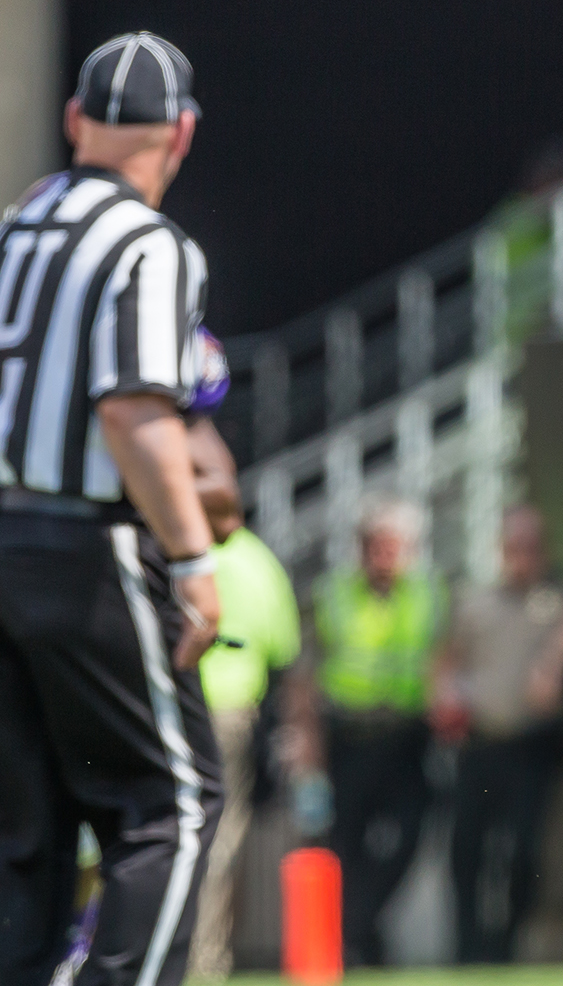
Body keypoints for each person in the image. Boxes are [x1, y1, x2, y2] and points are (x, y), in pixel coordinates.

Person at [0, 31, 223, 986]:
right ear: (181, 134)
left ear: (73, 121)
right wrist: (193, 559)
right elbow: (134, 411)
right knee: (170, 801)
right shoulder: (148, 244)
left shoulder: (13, 228)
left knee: (27, 819)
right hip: (79, 549)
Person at [432, 504, 563, 963]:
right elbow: (447, 658)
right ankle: (468, 951)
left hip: (532, 744)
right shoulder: (476, 600)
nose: (523, 557)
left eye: (532, 548)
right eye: (515, 548)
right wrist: (447, 694)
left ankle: (506, 948)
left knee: (523, 853)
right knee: (467, 850)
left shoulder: (561, 594)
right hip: (480, 743)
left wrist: (553, 662)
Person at [187, 329, 302, 982]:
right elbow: (285, 662)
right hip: (222, 712)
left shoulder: (235, 558)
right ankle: (197, 967)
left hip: (198, 706)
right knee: (208, 846)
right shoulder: (254, 561)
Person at [291, 496, 448, 967]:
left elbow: (445, 658)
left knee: (409, 838)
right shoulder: (332, 594)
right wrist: (307, 746)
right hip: (349, 738)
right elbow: (305, 676)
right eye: (376, 547)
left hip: (407, 737)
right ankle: (355, 942)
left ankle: (359, 927)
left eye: (393, 548)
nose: (384, 558)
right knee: (344, 844)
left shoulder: (431, 594)